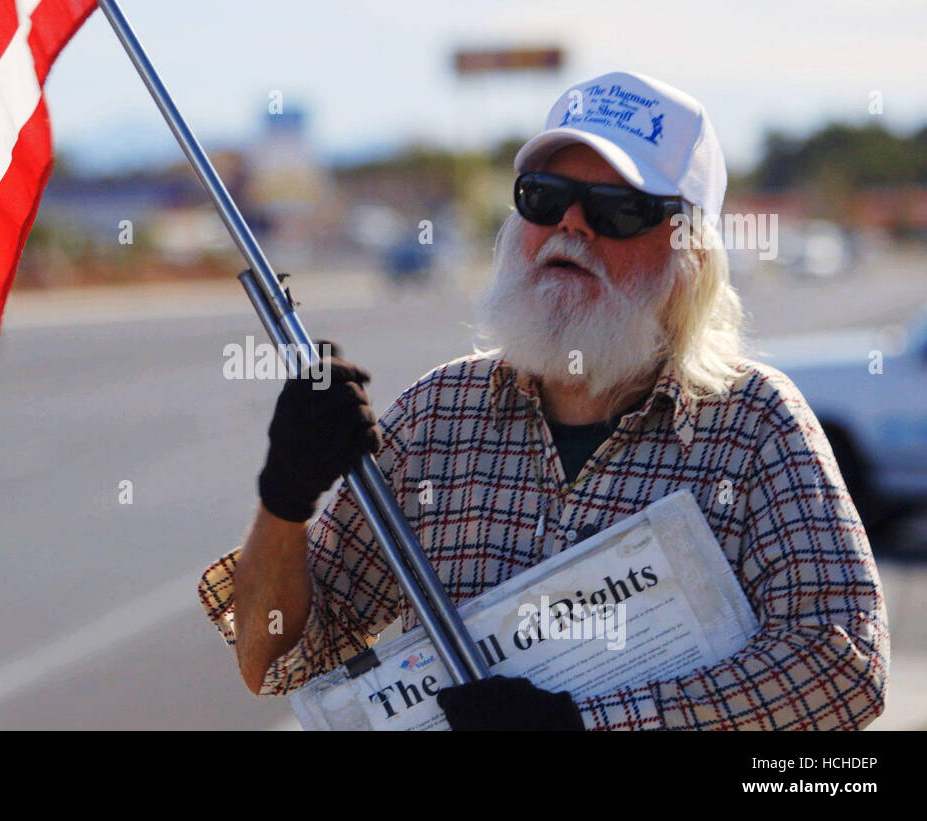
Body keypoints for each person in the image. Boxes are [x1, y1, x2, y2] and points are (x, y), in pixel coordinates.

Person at [196, 71, 889, 730]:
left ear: (692, 256)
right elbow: (275, 659)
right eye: (545, 197)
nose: (573, 226)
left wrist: (585, 724)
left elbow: (845, 664)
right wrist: (284, 499)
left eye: (618, 209)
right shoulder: (436, 415)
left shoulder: (754, 422)